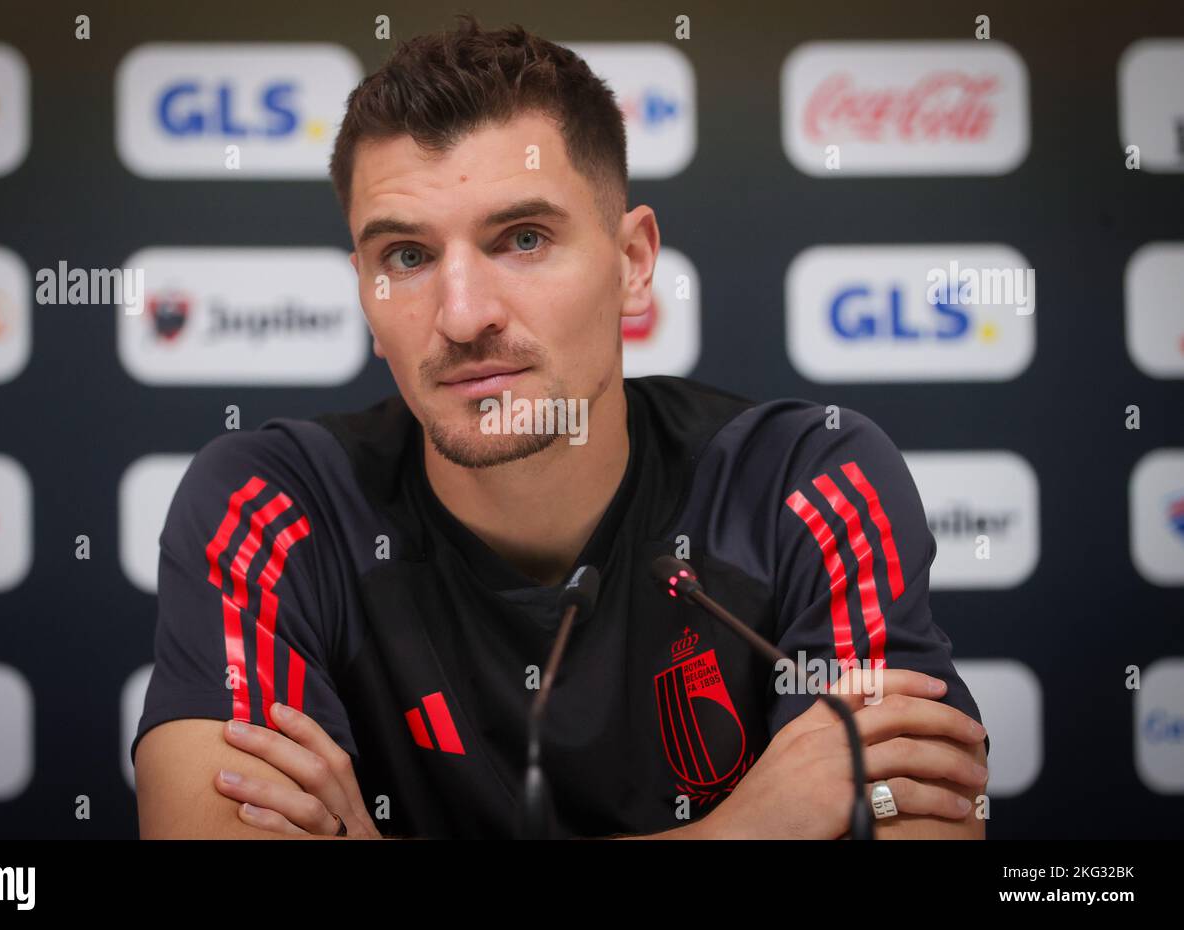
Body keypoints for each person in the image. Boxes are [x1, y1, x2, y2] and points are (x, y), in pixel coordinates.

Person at [132, 13, 988, 840]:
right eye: (407, 257)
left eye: (523, 238)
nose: (463, 316)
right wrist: (747, 830)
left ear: (633, 263)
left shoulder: (806, 484)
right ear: (363, 289)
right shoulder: (269, 506)